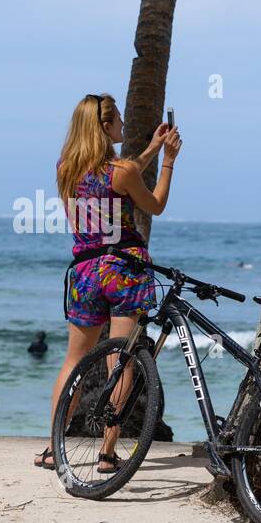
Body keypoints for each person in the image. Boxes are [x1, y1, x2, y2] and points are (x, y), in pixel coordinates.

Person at [35, 93, 180, 472]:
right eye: (116, 119)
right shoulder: (123, 172)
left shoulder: (66, 168)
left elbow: (120, 176)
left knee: (74, 360)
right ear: (103, 126)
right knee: (121, 358)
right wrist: (167, 161)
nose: (122, 125)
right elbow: (155, 204)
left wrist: (149, 147)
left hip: (84, 272)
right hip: (123, 270)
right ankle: (106, 453)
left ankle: (53, 447)